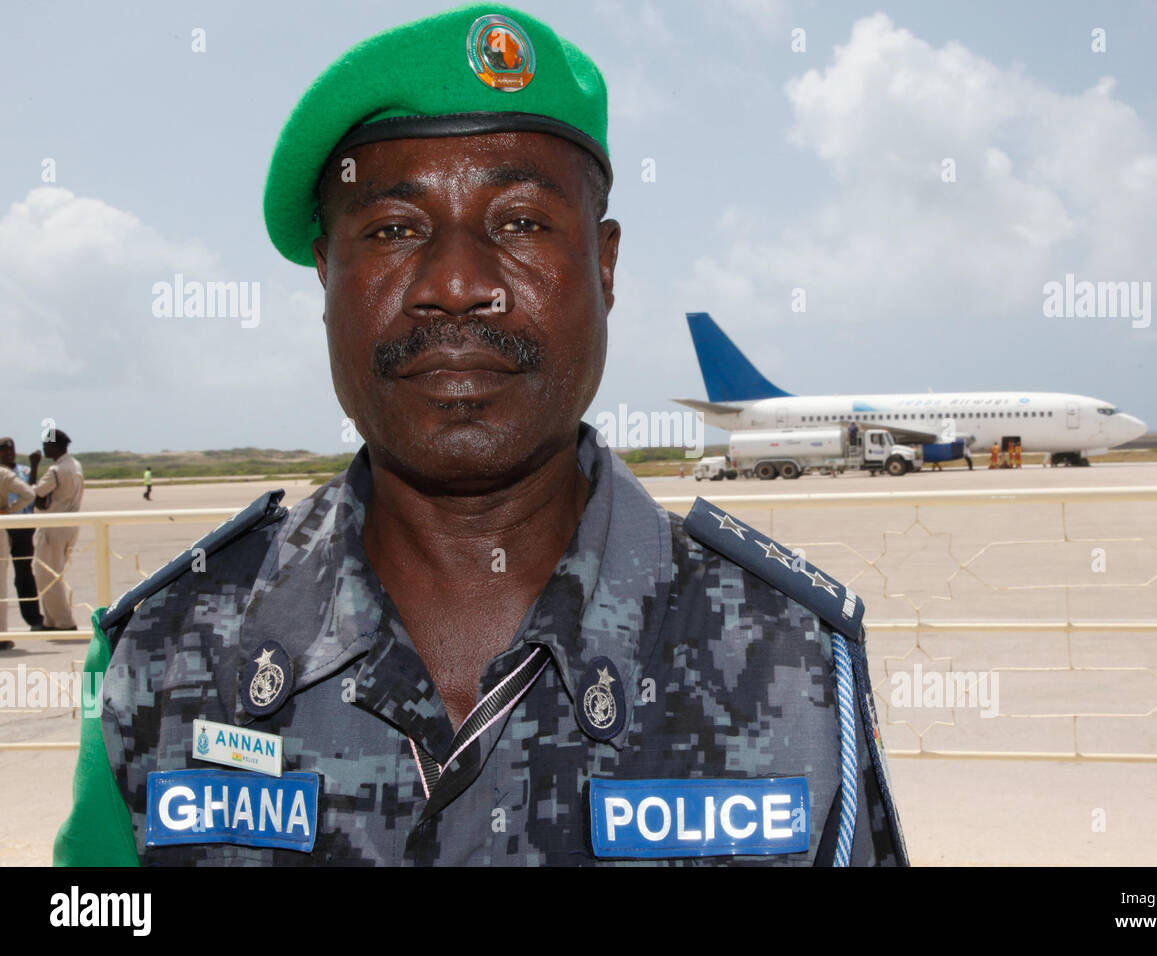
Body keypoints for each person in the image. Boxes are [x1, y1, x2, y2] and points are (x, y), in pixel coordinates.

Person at [55, 4, 905, 867]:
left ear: (605, 267)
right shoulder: (163, 654)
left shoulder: (791, 655)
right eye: (393, 230)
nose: (458, 284)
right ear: (325, 273)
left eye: (523, 223)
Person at [32, 428, 84, 631]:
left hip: (53, 526)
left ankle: (63, 621)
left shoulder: (56, 470)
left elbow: (35, 494)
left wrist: (34, 466)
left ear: (54, 446)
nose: (44, 449)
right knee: (54, 571)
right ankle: (51, 619)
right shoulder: (75, 465)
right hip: (70, 525)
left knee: (46, 573)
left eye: (46, 446)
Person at [1, 438, 43, 629]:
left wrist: (34, 466)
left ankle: (34, 619)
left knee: (24, 574)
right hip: (5, 525)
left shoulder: (24, 471)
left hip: (21, 527)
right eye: (4, 451)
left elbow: (32, 491)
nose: (9, 454)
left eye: (11, 451)